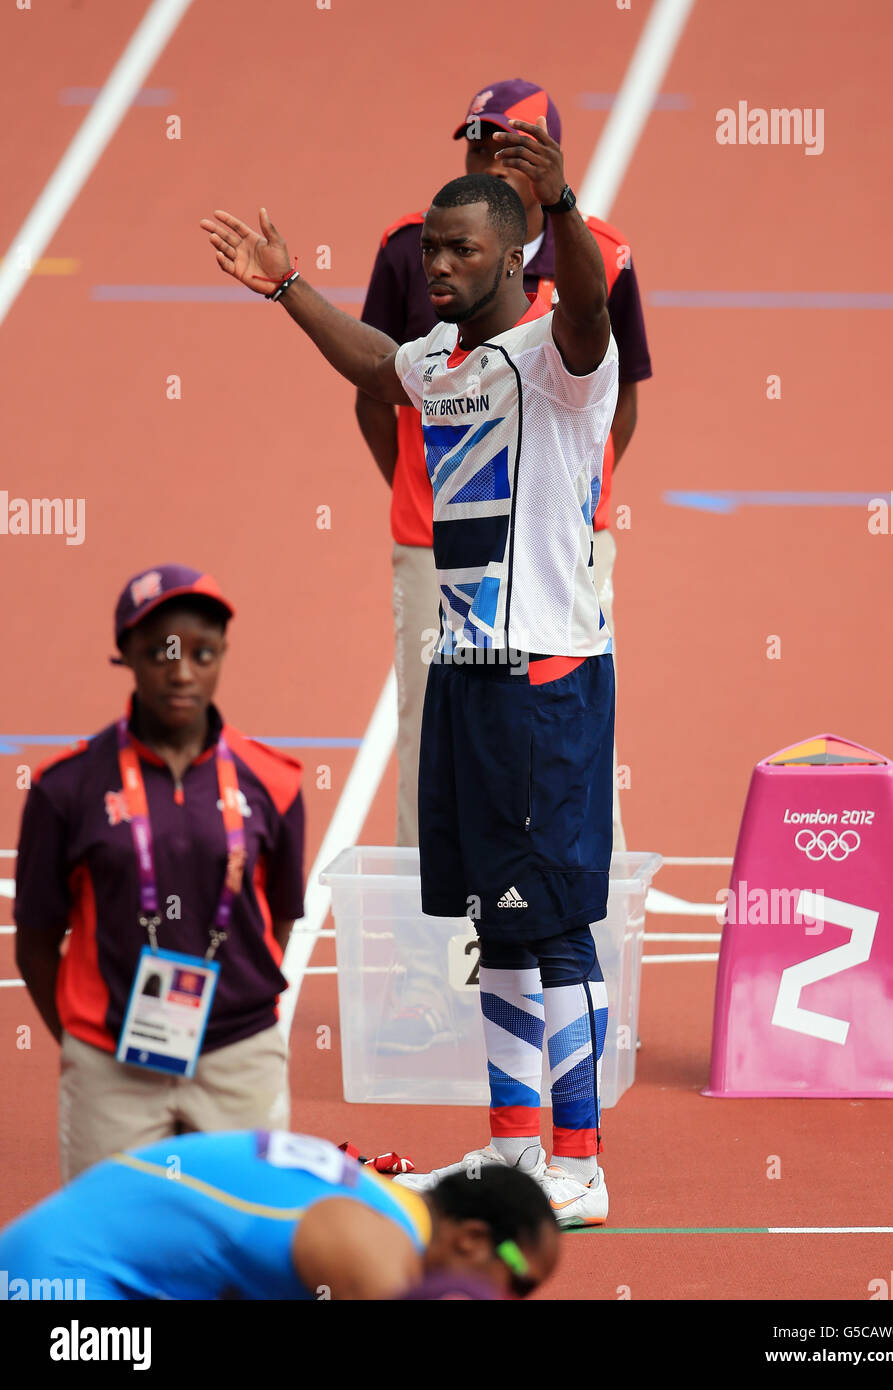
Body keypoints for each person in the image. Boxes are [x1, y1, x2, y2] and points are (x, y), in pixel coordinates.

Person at [200, 115, 616, 1226]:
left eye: (460, 250)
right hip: (467, 674)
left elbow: (584, 303)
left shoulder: (560, 361)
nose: (434, 265)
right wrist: (288, 286)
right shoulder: (435, 360)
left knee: (555, 920)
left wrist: (563, 207)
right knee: (496, 921)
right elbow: (376, 365)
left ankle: (577, 1162)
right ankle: (512, 1150)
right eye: (429, 249)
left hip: (544, 680)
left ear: (512, 256)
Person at [357, 79, 652, 855]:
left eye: (507, 142)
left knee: (571, 725)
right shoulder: (412, 249)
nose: (485, 153)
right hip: (435, 546)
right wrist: (431, 487)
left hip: (568, 543)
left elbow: (616, 398)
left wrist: (568, 487)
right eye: (475, 140)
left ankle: (589, 906)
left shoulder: (602, 257)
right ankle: (436, 960)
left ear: (547, 157)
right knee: (434, 732)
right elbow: (381, 383)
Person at [14, 565, 306, 1182]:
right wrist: (82, 1043)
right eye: (159, 654)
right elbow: (36, 940)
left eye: (201, 653)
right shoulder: (65, 788)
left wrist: (225, 1008)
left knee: (245, 1248)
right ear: (124, 655)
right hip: (111, 1065)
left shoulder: (274, 783)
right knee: (109, 1253)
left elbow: (277, 916)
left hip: (239, 1058)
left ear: (222, 654)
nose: (180, 673)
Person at [0, 1130, 558, 1300]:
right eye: (521, 1281)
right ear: (473, 1239)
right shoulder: (373, 1253)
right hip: (60, 1284)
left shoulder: (385, 1211)